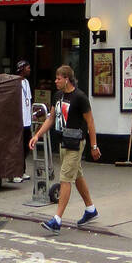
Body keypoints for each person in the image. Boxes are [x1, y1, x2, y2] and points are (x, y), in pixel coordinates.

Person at [29, 64, 100, 232]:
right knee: (77, 176)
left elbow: (90, 122)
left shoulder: (80, 97)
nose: (55, 81)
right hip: (63, 142)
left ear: (67, 79)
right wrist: (37, 135)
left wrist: (94, 145)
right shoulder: (58, 96)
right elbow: (51, 118)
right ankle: (91, 209)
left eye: (58, 78)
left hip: (76, 143)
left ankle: (57, 219)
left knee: (65, 178)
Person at [16, 59, 32, 183]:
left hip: (27, 120)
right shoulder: (15, 83)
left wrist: (32, 114)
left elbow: (29, 99)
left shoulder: (26, 82)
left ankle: (22, 170)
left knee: (26, 146)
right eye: (27, 67)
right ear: (22, 69)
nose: (29, 70)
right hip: (18, 120)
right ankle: (16, 173)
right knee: (18, 147)